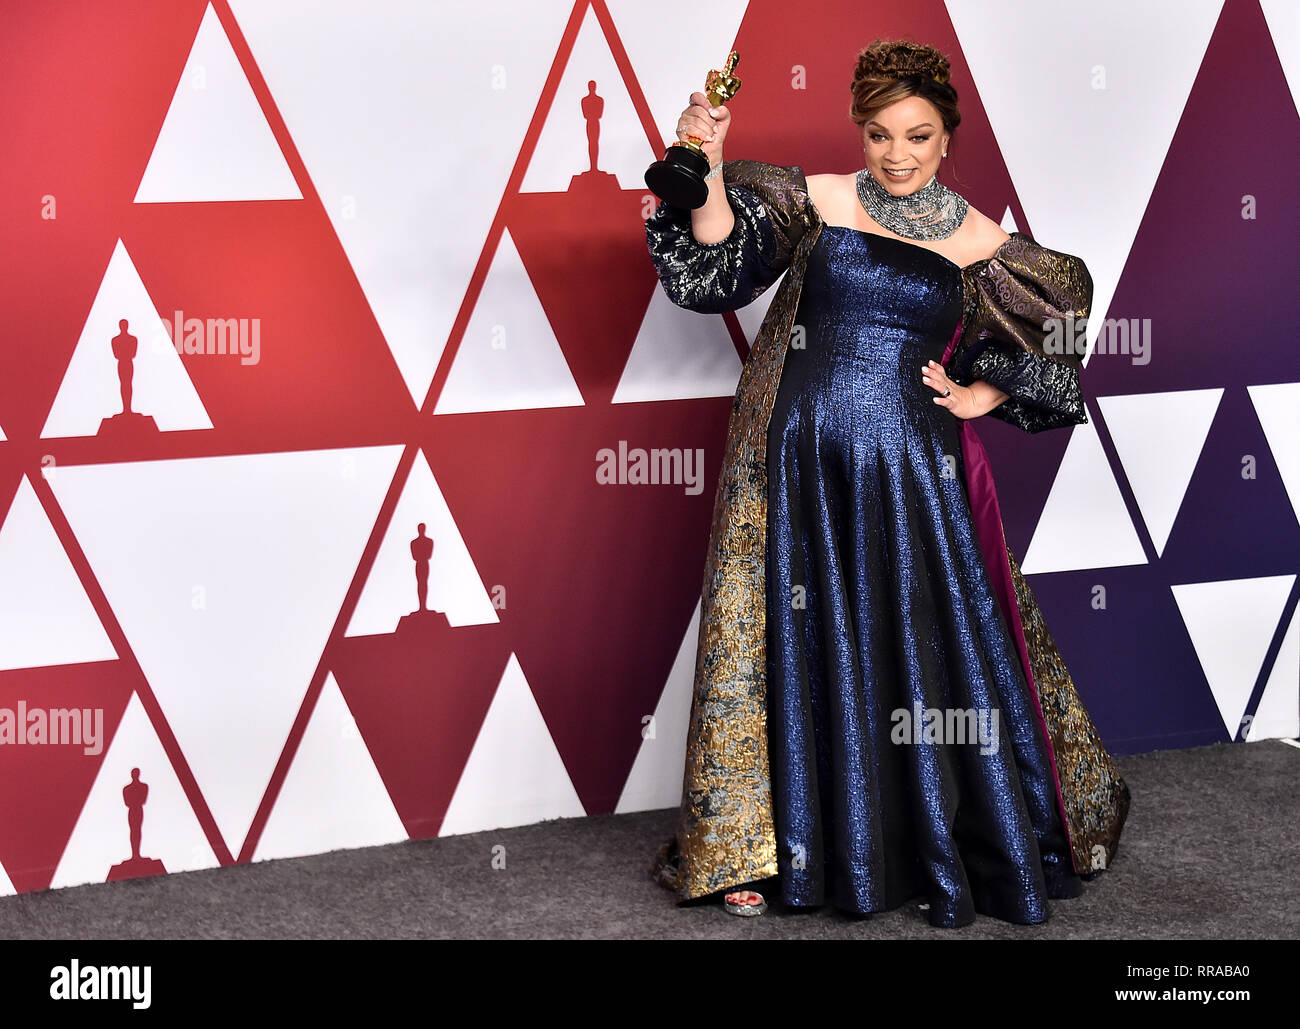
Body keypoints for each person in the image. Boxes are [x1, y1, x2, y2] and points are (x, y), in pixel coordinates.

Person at [644, 39, 1131, 928]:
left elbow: (1061, 319)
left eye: (916, 135)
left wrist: (985, 392)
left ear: (948, 135)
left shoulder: (981, 237)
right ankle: (782, 846)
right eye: (877, 134)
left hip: (909, 471)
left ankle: (908, 841)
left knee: (910, 647)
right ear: (860, 135)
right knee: (791, 643)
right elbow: (718, 253)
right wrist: (707, 170)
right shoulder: (822, 200)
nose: (896, 154)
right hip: (796, 467)